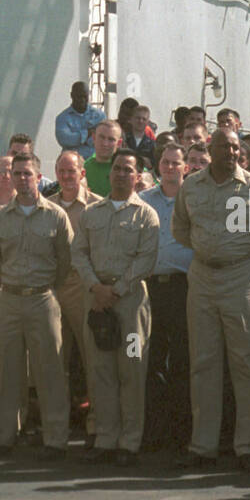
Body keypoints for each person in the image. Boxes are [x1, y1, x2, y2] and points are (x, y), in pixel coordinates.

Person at [172, 129, 250, 471]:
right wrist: (207, 250)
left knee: (247, 365)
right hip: (202, 279)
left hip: (242, 280)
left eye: (237, 147)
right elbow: (180, 229)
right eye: (225, 146)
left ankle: (246, 446)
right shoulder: (191, 185)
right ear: (210, 149)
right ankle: (203, 445)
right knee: (204, 363)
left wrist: (247, 256)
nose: (233, 152)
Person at [73, 150, 159, 466]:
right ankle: (106, 439)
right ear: (109, 174)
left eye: (128, 170)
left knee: (131, 371)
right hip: (96, 302)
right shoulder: (91, 214)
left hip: (131, 304)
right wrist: (96, 288)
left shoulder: (147, 215)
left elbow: (146, 260)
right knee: (101, 372)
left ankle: (129, 442)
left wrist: (117, 290)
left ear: (137, 177)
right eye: (117, 169)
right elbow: (78, 254)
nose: (122, 174)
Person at [0, 153, 73, 459]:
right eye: (16, 173)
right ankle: (2, 435)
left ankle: (55, 439)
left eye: (27, 174)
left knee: (50, 371)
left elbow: (65, 263)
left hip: (43, 298)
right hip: (8, 298)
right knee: (5, 372)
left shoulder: (56, 216)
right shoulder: (0, 217)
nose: (21, 179)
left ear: (39, 178)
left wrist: (46, 287)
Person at [140, 141, 193, 453]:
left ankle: (181, 430)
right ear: (158, 167)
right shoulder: (144, 200)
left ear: (185, 167)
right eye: (166, 163)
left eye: (176, 163)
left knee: (184, 359)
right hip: (150, 289)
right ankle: (155, 429)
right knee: (151, 357)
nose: (171, 168)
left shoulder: (195, 200)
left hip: (185, 287)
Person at [51, 150, 95, 445]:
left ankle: (96, 427)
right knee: (54, 362)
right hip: (52, 290)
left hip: (84, 289)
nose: (67, 176)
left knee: (94, 360)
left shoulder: (96, 207)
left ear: (82, 173)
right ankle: (56, 429)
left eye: (72, 171)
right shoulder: (46, 206)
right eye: (62, 171)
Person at [55, 82, 106, 161]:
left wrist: (76, 140)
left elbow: (101, 140)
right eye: (79, 97)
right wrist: (88, 133)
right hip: (71, 165)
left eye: (85, 96)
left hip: (95, 162)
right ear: (72, 96)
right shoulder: (62, 118)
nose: (82, 100)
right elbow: (65, 140)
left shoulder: (99, 116)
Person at [85, 120, 123, 197]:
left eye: (111, 139)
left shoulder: (129, 169)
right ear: (94, 138)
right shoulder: (83, 168)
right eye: (101, 137)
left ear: (119, 143)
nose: (105, 143)